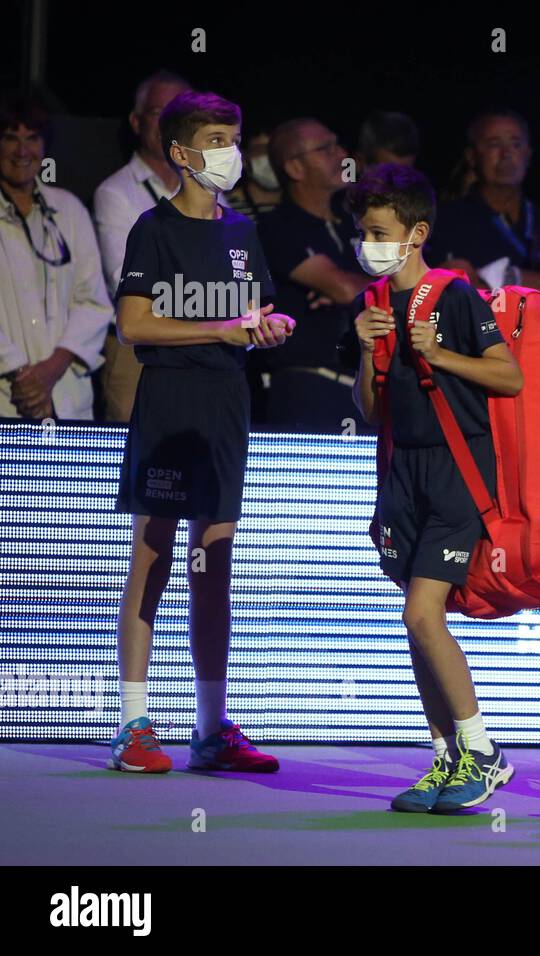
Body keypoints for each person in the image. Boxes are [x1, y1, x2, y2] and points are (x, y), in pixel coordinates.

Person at [110, 90, 295, 774]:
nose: (232, 152)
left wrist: (268, 327)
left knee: (213, 567)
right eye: (217, 139)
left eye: (235, 137)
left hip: (225, 405)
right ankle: (133, 726)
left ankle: (211, 729)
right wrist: (219, 329)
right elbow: (135, 327)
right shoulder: (151, 230)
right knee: (153, 562)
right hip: (169, 404)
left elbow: (254, 316)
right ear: (181, 154)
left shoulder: (243, 232)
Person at [345, 163, 523, 812]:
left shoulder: (455, 295)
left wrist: (439, 353)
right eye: (363, 231)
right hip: (401, 476)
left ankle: (485, 753)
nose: (367, 243)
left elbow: (508, 377)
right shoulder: (369, 306)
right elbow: (371, 410)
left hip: (456, 471)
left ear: (416, 233)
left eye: (379, 231)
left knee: (420, 614)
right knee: (420, 626)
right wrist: (366, 353)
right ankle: (445, 758)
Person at [0, 93, 113, 421]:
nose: (22, 151)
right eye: (9, 138)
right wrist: (25, 377)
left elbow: (93, 301)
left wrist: (50, 371)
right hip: (8, 397)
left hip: (65, 395)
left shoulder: (69, 210)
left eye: (32, 138)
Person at [257, 118, 369, 430]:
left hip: (366, 387)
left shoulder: (355, 222)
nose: (341, 155)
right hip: (310, 391)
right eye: (325, 149)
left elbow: (405, 280)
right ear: (295, 168)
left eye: (337, 144)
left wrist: (358, 288)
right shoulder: (277, 228)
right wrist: (354, 289)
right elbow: (345, 289)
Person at [93, 70, 192, 422]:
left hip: (203, 348)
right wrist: (206, 292)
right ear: (136, 121)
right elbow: (125, 279)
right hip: (138, 348)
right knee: (137, 461)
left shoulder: (212, 188)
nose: (171, 121)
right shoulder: (116, 192)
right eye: (158, 112)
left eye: (181, 112)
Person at [424, 108, 540, 298]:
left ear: (528, 154)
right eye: (493, 144)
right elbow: (449, 291)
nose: (506, 154)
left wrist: (502, 278)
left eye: (515, 144)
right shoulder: (445, 221)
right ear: (472, 156)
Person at [225, 128, 282, 223]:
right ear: (243, 159)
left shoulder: (305, 205)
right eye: (261, 150)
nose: (271, 157)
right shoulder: (223, 208)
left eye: (277, 150)